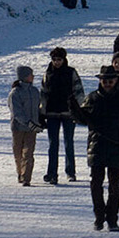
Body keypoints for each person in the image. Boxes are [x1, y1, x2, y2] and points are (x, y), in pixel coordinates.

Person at [75, 65, 119, 231]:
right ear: (100, 81)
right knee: (96, 184)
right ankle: (99, 217)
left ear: (116, 80)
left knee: (115, 185)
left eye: (110, 80)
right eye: (104, 80)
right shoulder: (92, 98)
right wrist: (73, 107)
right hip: (97, 146)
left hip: (118, 146)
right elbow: (82, 119)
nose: (107, 83)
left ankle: (112, 219)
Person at [40, 46, 84, 183]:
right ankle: (52, 173)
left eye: (59, 59)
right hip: (52, 113)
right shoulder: (48, 74)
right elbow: (43, 94)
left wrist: (80, 110)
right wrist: (42, 112)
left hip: (68, 113)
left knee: (68, 143)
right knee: (53, 144)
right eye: (54, 59)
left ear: (64, 59)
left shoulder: (71, 73)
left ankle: (70, 172)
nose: (56, 62)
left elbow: (79, 92)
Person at [7, 65, 41, 184]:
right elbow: (16, 112)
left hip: (32, 129)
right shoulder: (15, 93)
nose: (33, 76)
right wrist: (28, 123)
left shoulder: (35, 91)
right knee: (18, 152)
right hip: (18, 128)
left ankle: (26, 177)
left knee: (28, 153)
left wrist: (39, 122)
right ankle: (20, 172)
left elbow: (38, 108)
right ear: (24, 77)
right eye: (30, 74)